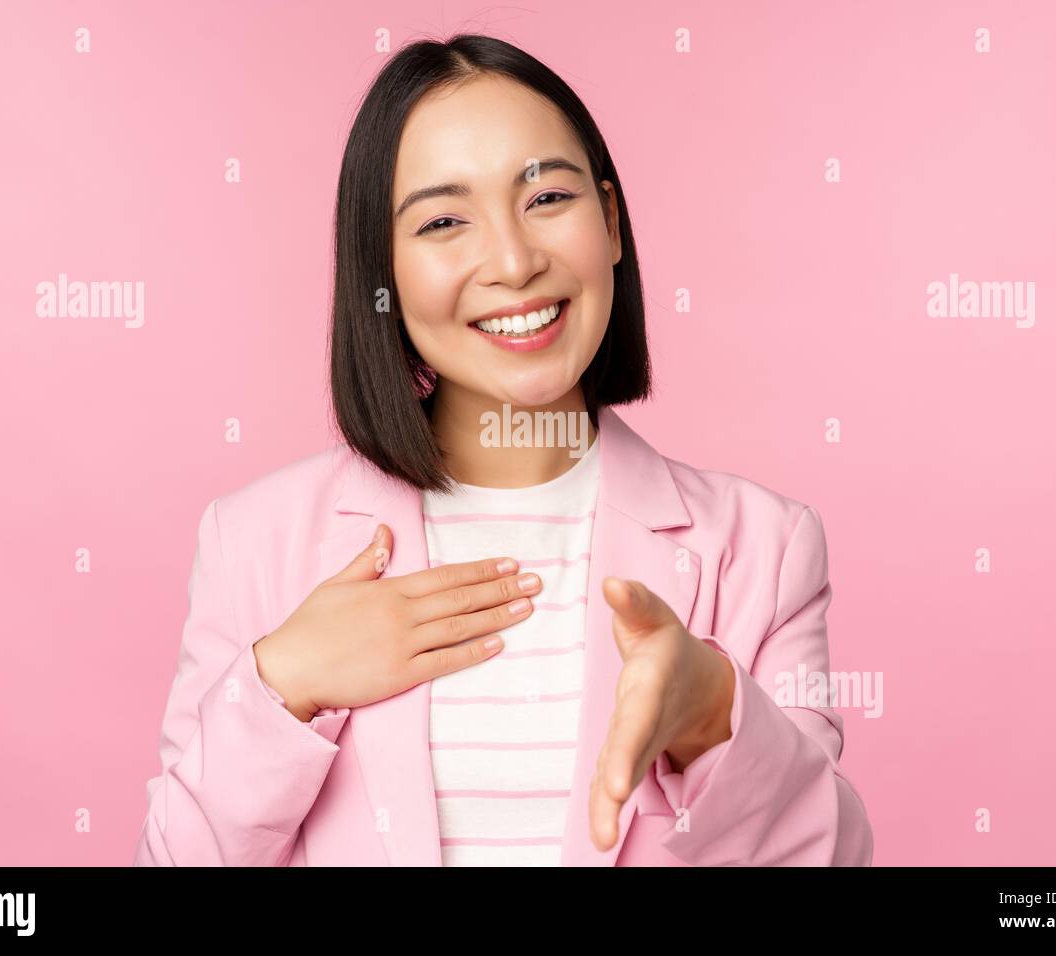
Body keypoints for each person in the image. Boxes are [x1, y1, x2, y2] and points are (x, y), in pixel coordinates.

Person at [133, 33, 873, 867]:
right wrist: (283, 684)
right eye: (445, 220)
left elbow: (833, 857)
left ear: (612, 222)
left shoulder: (763, 547)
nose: (515, 262)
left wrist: (713, 719)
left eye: (548, 198)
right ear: (383, 270)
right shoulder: (254, 542)